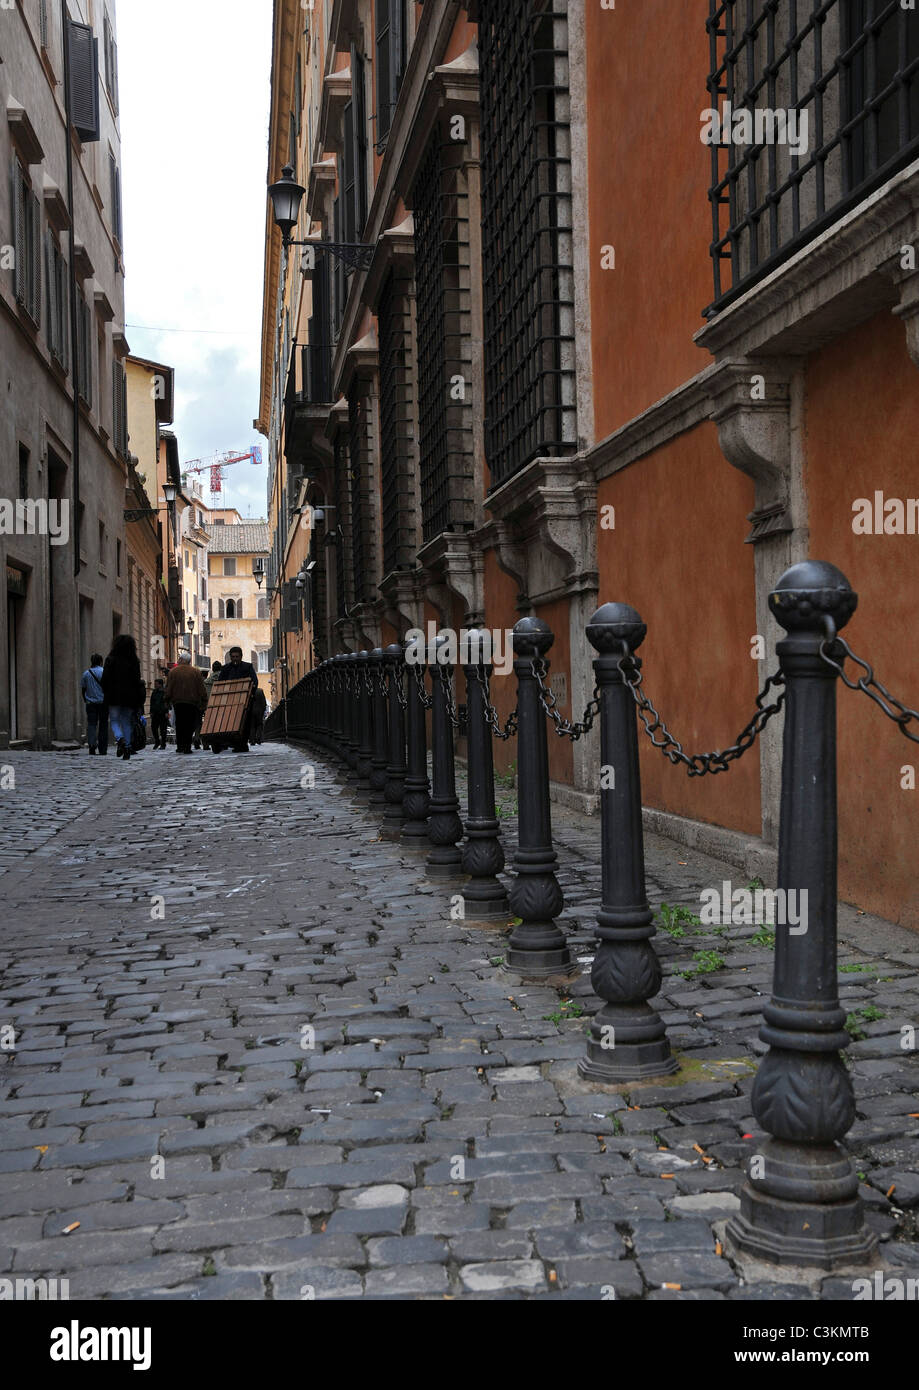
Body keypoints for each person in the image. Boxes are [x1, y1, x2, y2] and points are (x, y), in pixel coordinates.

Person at [101, 636, 146, 761]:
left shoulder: (110, 660)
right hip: (129, 697)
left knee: (115, 721)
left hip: (114, 696)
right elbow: (137, 680)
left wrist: (106, 692)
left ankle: (119, 738)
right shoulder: (134, 661)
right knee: (126, 722)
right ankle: (127, 745)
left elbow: (104, 679)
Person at [213, 647, 258, 753]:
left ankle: (242, 744)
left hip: (244, 701)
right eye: (233, 657)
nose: (235, 659)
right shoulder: (225, 669)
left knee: (245, 723)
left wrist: (248, 693)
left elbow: (254, 682)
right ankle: (233, 743)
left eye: (237, 657)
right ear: (230, 657)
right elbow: (220, 683)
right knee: (230, 721)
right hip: (229, 702)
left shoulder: (248, 667)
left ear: (241, 656)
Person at [164, 652, 208, 755]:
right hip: (192, 702)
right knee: (189, 724)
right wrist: (204, 699)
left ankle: (180, 746)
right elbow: (201, 687)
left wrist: (167, 699)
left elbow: (169, 687)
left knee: (179, 724)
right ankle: (187, 746)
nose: (178, 660)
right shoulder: (196, 672)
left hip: (178, 701)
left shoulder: (173, 672)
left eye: (179, 659)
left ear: (182, 660)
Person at [81, 653, 109, 756]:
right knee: (103, 725)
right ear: (101, 661)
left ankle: (92, 746)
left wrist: (86, 699)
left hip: (91, 704)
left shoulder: (86, 674)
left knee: (92, 725)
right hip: (103, 703)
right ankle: (102, 749)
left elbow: (83, 690)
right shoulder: (104, 672)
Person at [149, 679, 170, 750]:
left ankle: (163, 744)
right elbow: (152, 702)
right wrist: (151, 712)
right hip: (155, 713)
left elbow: (167, 702)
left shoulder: (164, 692)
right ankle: (157, 741)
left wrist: (167, 712)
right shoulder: (154, 692)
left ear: (160, 684)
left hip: (163, 713)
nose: (155, 685)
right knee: (153, 728)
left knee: (163, 729)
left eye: (156, 684)